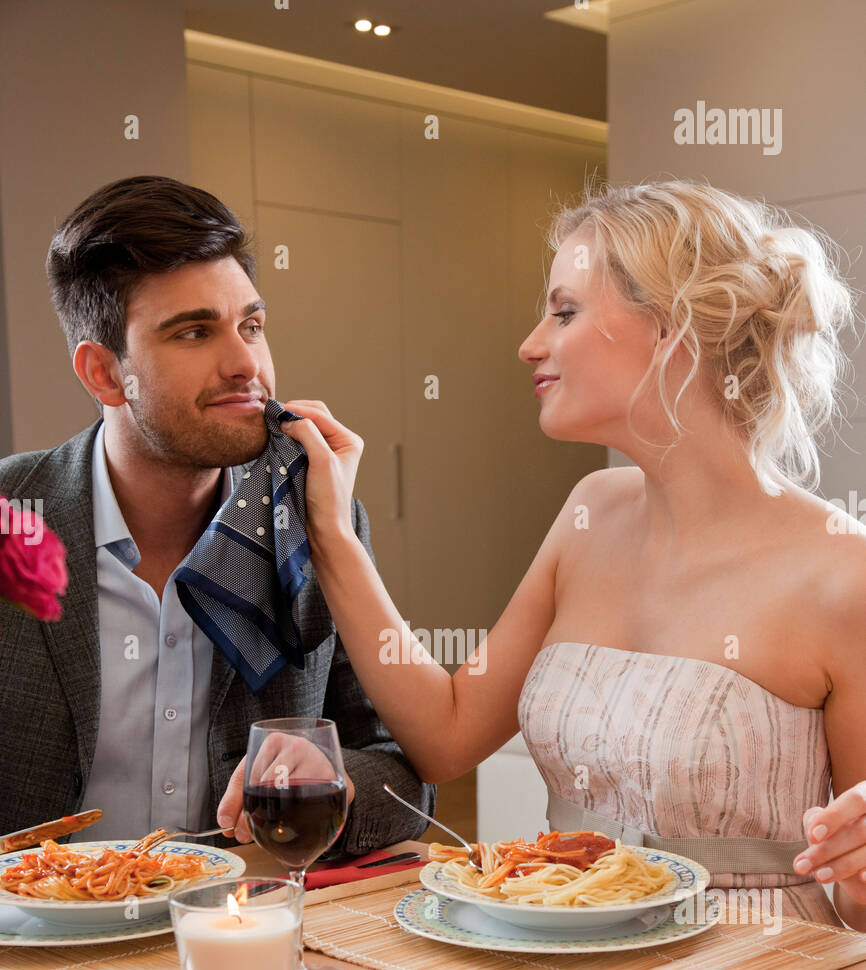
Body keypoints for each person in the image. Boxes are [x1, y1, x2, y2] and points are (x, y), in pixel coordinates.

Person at [218, 178, 866, 929]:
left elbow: (857, 904)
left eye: (564, 311)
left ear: (676, 329)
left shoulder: (842, 574)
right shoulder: (591, 513)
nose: (531, 344)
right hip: (554, 963)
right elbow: (446, 734)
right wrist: (331, 533)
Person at [0, 175, 435, 854]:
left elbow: (409, 777)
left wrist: (337, 778)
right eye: (194, 332)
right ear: (103, 374)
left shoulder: (317, 522)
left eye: (251, 326)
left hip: (241, 931)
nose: (246, 365)